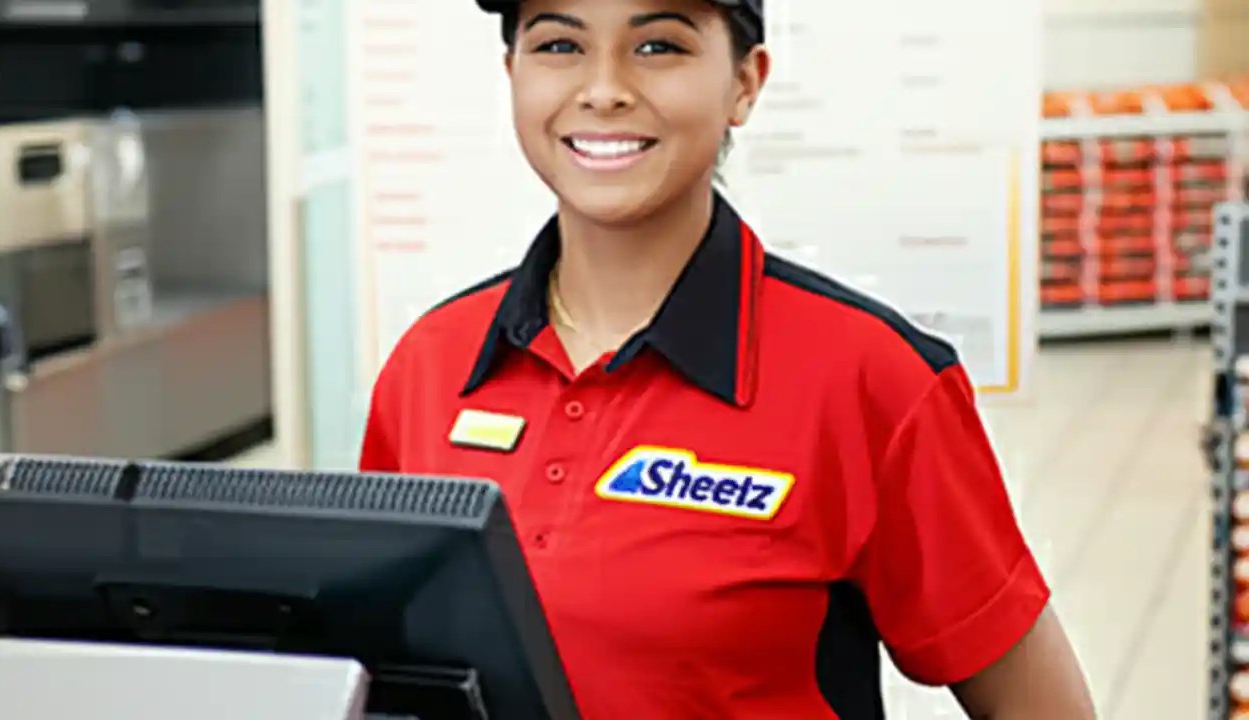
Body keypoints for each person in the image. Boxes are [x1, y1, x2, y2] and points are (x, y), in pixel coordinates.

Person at [360, 0, 1098, 717]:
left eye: (659, 46)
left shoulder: (873, 377)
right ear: (511, 71)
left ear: (745, 83)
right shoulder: (430, 365)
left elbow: (1036, 705)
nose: (605, 89)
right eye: (559, 45)